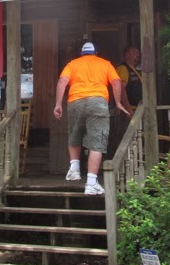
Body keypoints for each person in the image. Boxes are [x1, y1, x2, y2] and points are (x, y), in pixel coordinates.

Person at [54, 41, 129, 195]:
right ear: (95, 53)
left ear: (82, 53)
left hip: (75, 101)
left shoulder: (72, 64)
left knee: (74, 135)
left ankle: (74, 169)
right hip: (97, 101)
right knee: (96, 142)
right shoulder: (105, 64)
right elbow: (116, 81)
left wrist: (58, 104)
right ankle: (91, 183)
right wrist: (119, 102)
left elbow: (62, 81)